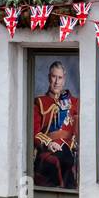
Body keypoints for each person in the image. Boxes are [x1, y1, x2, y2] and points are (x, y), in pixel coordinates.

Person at [33, 60, 78, 189]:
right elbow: (35, 132)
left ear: (64, 80)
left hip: (70, 149)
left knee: (69, 160)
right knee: (60, 162)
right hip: (49, 150)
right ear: (49, 78)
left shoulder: (74, 102)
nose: (57, 82)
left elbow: (78, 128)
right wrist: (48, 143)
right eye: (54, 77)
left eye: (60, 78)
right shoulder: (40, 102)